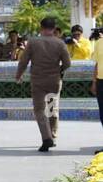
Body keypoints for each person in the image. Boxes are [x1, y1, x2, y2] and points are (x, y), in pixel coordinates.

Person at [15, 16, 72, 152]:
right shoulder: (60, 43)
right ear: (54, 29)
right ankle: (52, 135)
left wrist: (18, 75)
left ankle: (46, 138)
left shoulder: (33, 42)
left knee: (39, 110)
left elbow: (23, 61)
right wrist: (59, 71)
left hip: (38, 81)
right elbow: (68, 63)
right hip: (54, 80)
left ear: (41, 28)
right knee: (53, 108)